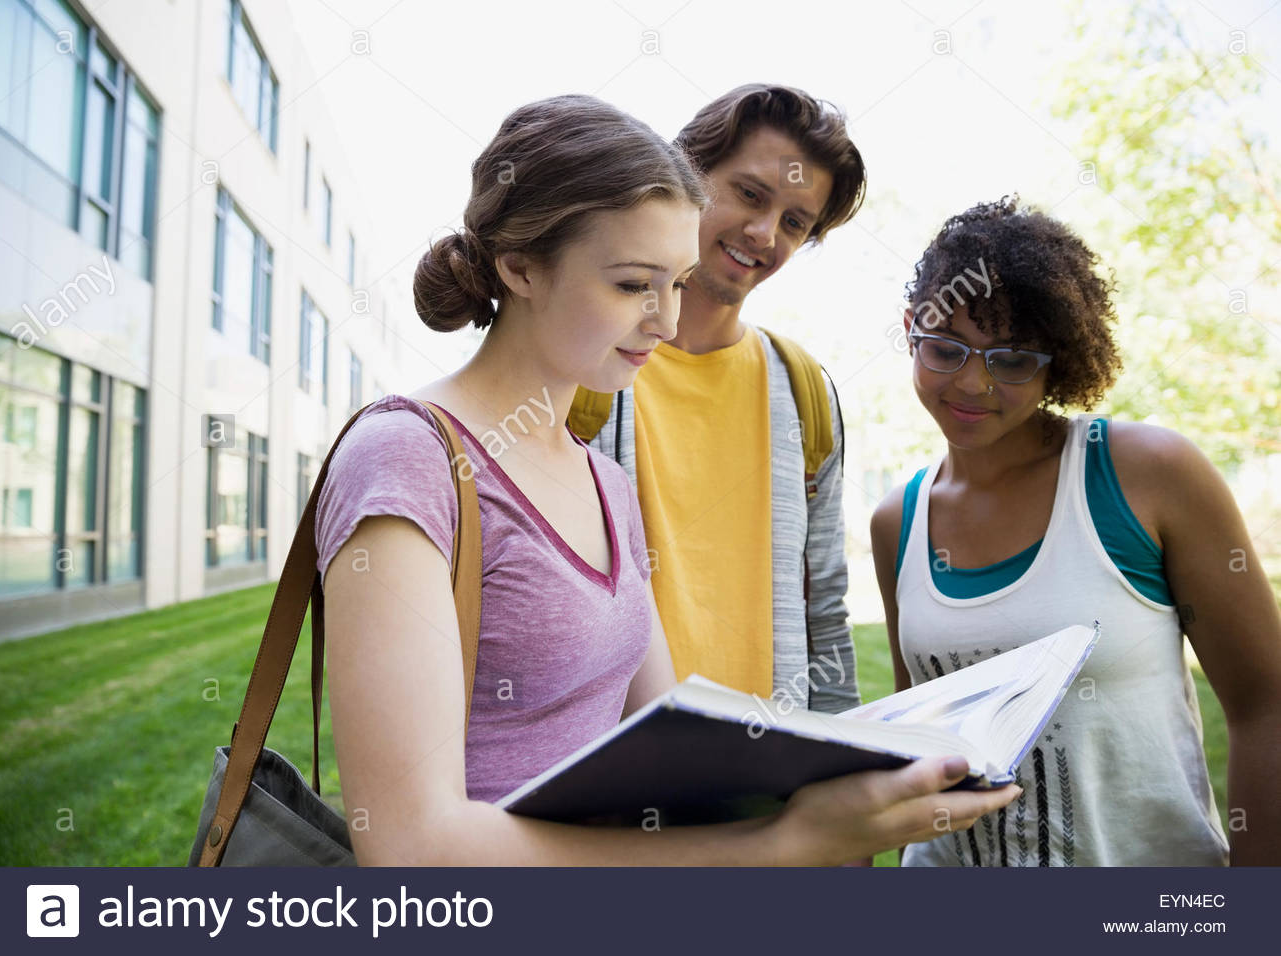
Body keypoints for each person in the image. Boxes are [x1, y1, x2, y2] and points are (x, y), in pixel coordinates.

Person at [316, 94, 1018, 865]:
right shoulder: (406, 456)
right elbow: (412, 849)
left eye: (677, 283)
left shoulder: (603, 486)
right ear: (519, 266)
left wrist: (861, 782)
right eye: (630, 285)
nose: (663, 318)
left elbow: (673, 737)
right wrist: (781, 842)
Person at [871, 196, 1281, 866]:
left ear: (1054, 360)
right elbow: (923, 730)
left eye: (1011, 360)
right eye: (946, 349)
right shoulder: (898, 520)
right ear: (913, 328)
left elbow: (1267, 706)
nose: (972, 383)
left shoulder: (1146, 473)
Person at [571, 84, 865, 716]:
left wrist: (842, 762)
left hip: (769, 782)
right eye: (751, 195)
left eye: (795, 221)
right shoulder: (581, 359)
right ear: (688, 174)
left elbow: (826, 607)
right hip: (608, 778)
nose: (763, 234)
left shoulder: (804, 389)